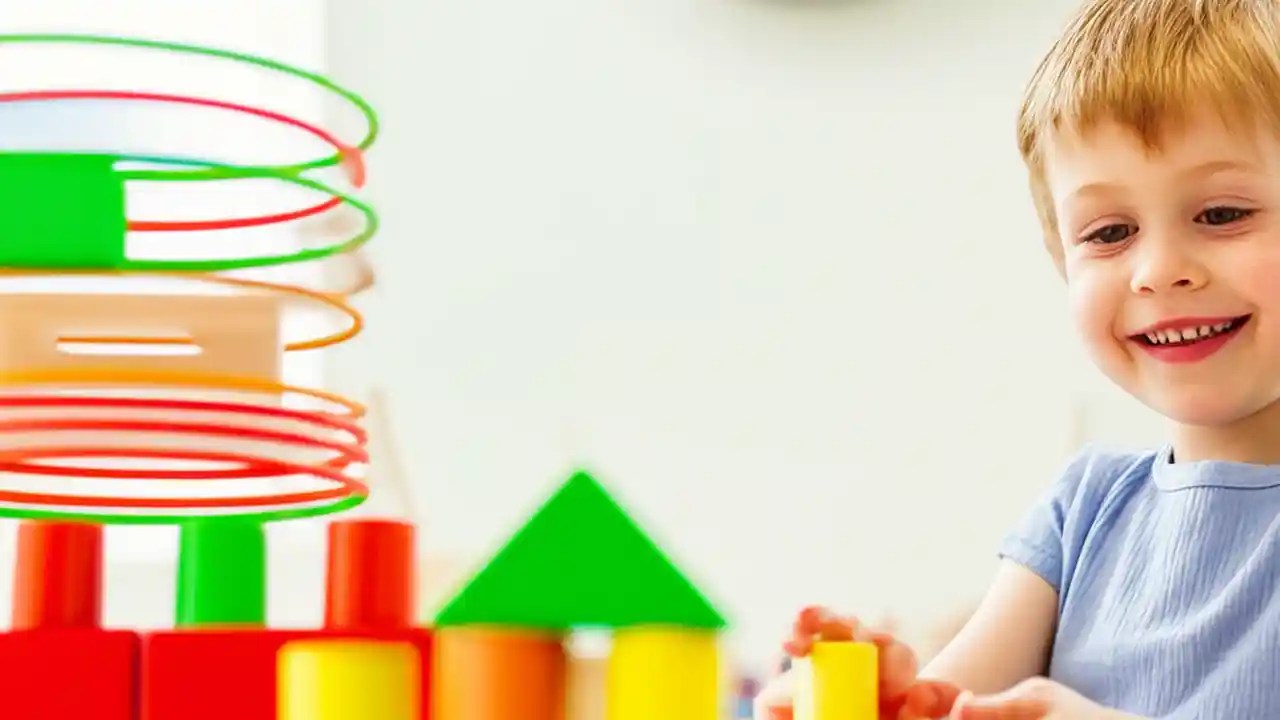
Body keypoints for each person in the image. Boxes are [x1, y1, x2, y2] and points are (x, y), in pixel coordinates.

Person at [756, 0, 1280, 717]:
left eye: (1222, 214)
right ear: (1060, 258)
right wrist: (880, 700)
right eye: (1109, 231)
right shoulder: (1082, 511)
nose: (1157, 270)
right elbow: (950, 703)